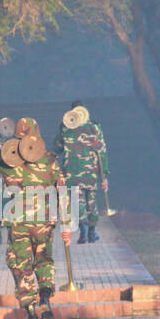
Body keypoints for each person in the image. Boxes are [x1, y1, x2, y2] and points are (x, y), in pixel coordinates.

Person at [0, 118, 70, 319]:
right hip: (44, 221)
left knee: (20, 265)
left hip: (18, 223)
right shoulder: (49, 161)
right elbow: (62, 191)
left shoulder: (9, 160)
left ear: (17, 135)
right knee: (44, 260)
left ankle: (31, 315)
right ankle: (45, 297)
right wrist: (68, 225)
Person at [53, 100, 108, 243]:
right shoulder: (94, 128)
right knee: (91, 201)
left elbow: (57, 148)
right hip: (91, 172)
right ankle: (92, 232)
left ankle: (83, 232)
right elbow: (101, 153)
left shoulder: (65, 128)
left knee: (78, 201)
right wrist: (104, 176)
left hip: (72, 171)